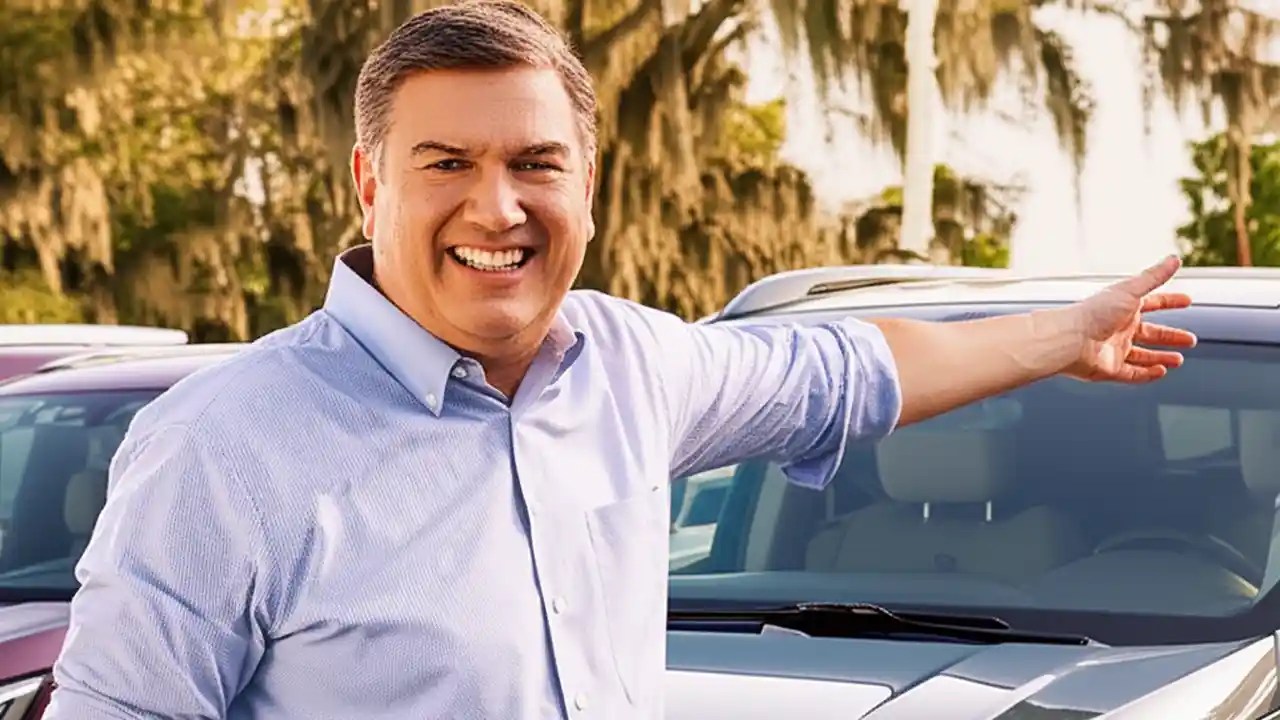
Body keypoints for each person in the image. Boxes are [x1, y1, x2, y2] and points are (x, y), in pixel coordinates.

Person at [45, 1, 1197, 718]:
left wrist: (1060, 337)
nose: (495, 207)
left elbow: (847, 370)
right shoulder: (225, 442)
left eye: (535, 163)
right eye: (444, 161)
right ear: (367, 182)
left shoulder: (634, 365)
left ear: (586, 185)